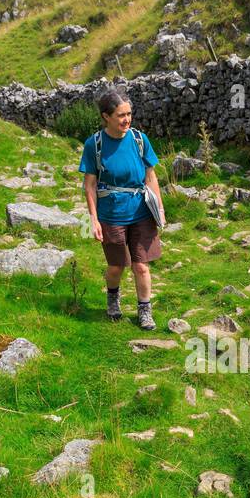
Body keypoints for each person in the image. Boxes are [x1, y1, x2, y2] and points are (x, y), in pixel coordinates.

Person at [79, 89, 165, 329]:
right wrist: (93, 220)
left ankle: (144, 311)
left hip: (141, 212)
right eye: (120, 115)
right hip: (111, 215)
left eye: (129, 114)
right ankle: (113, 298)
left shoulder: (139, 139)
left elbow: (151, 176)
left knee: (141, 265)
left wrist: (159, 206)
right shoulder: (94, 144)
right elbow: (90, 185)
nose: (126, 119)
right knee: (117, 266)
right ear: (106, 116)